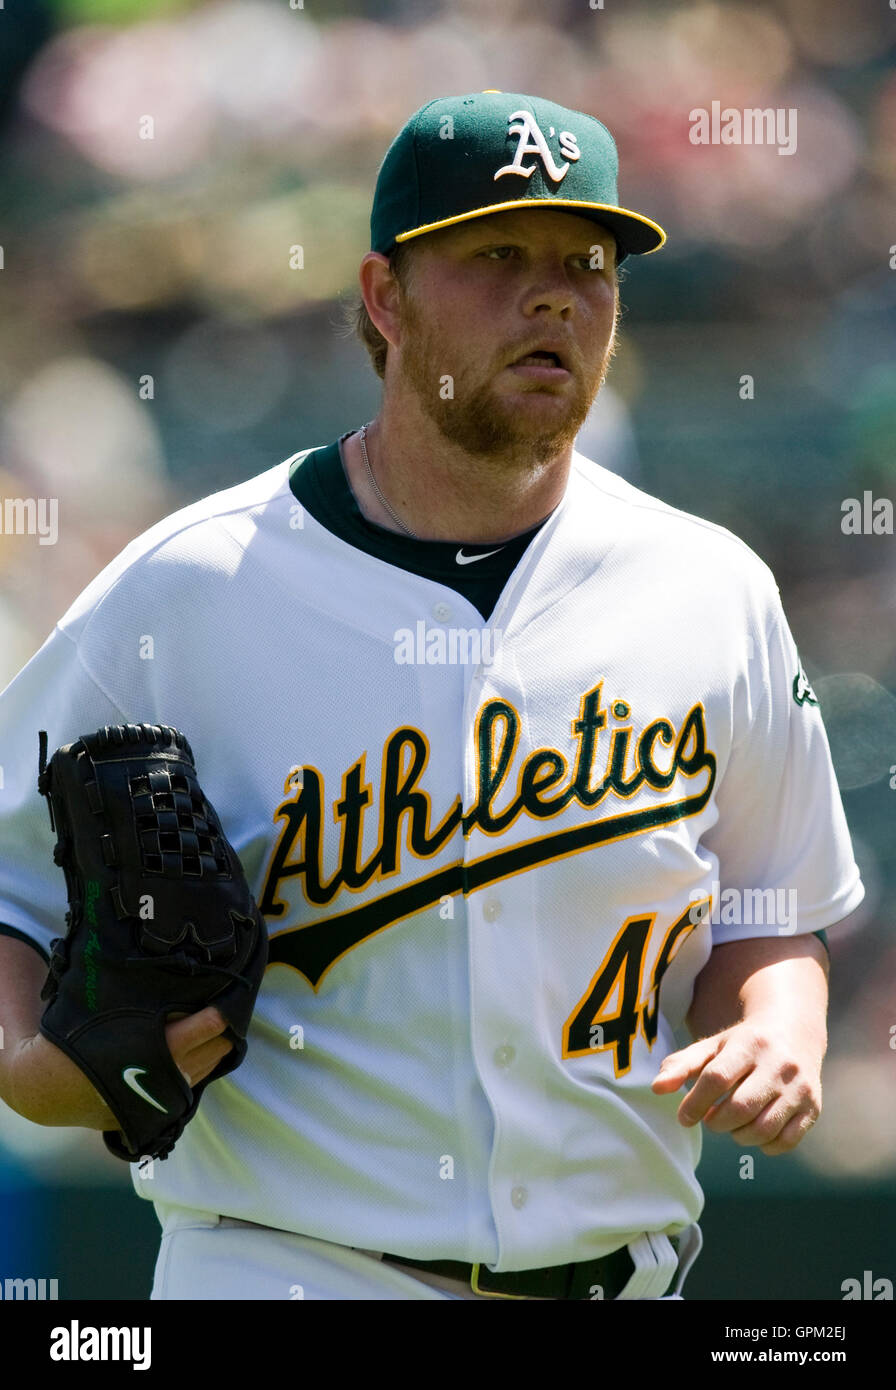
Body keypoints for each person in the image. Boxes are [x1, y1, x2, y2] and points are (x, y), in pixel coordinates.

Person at [0, 92, 864, 1301]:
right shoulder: (189, 588)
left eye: (587, 263)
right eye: (496, 255)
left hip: (627, 1276)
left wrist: (782, 1025)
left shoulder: (708, 587)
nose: (554, 294)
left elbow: (774, 906)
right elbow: (8, 900)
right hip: (286, 1267)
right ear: (382, 298)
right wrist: (33, 1066)